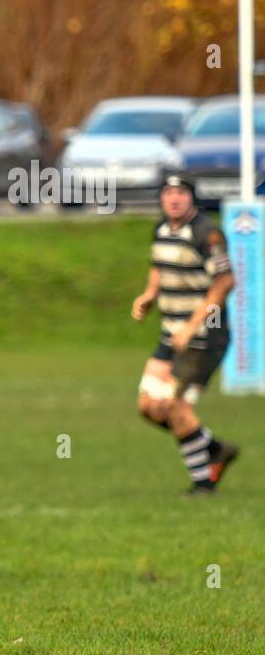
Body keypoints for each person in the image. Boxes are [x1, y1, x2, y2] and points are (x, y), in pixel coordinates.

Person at [132, 174, 238, 495]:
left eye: (181, 193)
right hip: (170, 334)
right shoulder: (162, 229)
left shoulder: (208, 233)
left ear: (192, 197)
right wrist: (149, 296)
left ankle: (203, 482)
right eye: (168, 193)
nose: (174, 199)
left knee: (174, 405)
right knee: (149, 406)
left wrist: (193, 326)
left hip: (205, 336)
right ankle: (214, 447)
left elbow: (224, 282)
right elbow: (158, 267)